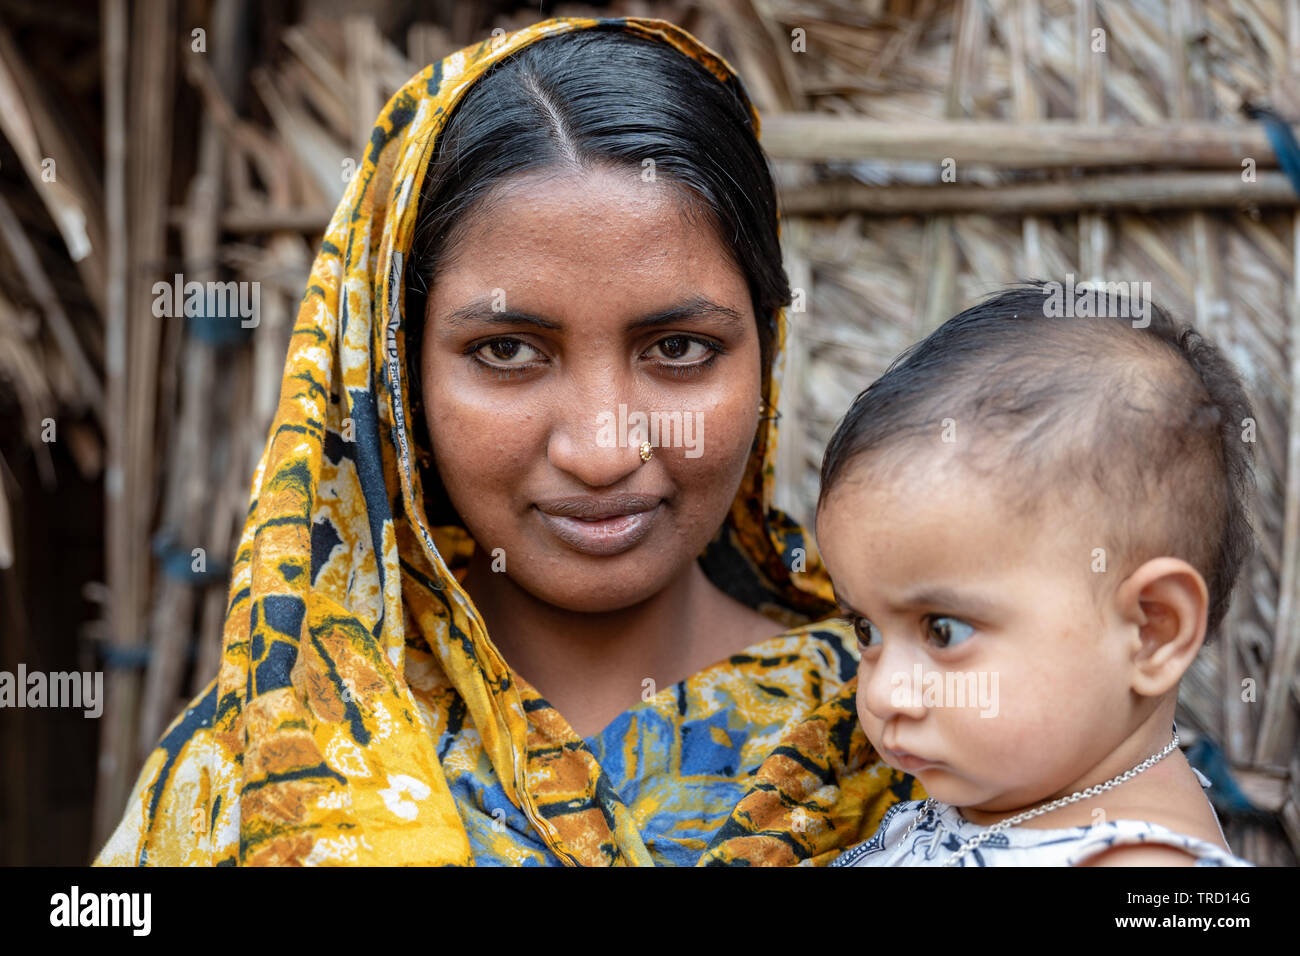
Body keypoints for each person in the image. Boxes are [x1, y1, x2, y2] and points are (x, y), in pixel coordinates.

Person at [93, 16, 917, 867]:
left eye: (678, 349)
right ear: (400, 374)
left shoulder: (920, 740)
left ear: (767, 353)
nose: (602, 451)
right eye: (507, 352)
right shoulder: (248, 779)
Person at [813, 283, 1255, 866]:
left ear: (1151, 629)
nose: (885, 693)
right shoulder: (995, 794)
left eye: (943, 630)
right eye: (865, 630)